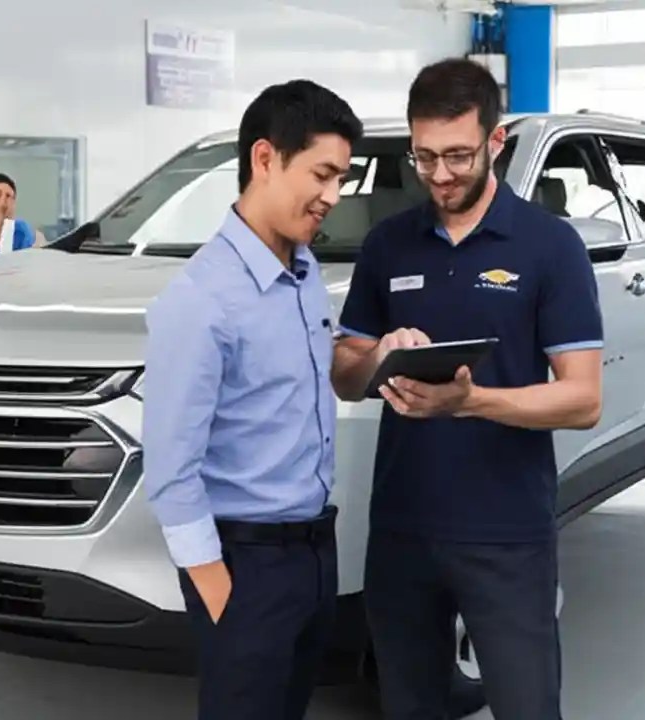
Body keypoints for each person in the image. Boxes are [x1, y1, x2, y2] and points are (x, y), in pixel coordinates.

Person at [330, 58, 604, 720]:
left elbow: (583, 399)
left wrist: (473, 400)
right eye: (424, 158)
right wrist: (379, 360)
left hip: (506, 530)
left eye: (457, 155)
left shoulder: (550, 247)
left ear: (496, 141)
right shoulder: (388, 245)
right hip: (402, 528)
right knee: (410, 705)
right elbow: (345, 372)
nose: (440, 175)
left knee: (527, 705)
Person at [141, 80, 362, 720]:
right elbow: (169, 469)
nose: (333, 196)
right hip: (249, 566)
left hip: (315, 549)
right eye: (322, 174)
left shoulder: (302, 271)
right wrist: (218, 591)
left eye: (341, 178)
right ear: (265, 159)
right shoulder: (200, 300)